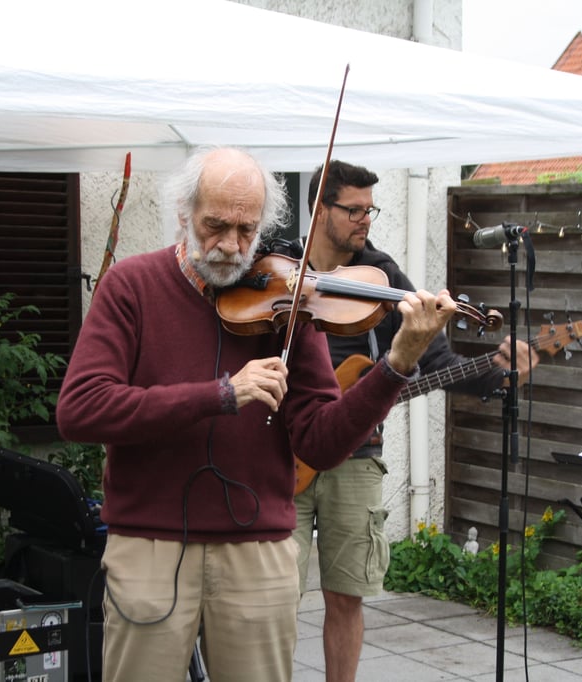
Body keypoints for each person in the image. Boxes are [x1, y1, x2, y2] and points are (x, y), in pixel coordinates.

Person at [56, 146, 464, 682]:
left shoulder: (288, 304)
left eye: (246, 229)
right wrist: (220, 394)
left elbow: (321, 441)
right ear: (184, 214)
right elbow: (80, 409)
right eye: (215, 226)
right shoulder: (132, 286)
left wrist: (397, 364)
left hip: (258, 548)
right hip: (151, 544)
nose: (230, 246)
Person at [281, 160, 539, 682]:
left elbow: (436, 362)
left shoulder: (383, 276)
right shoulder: (281, 264)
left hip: (356, 452)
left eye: (369, 210)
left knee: (347, 592)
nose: (365, 221)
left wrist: (495, 370)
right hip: (281, 449)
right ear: (319, 208)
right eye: (353, 210)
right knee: (274, 597)